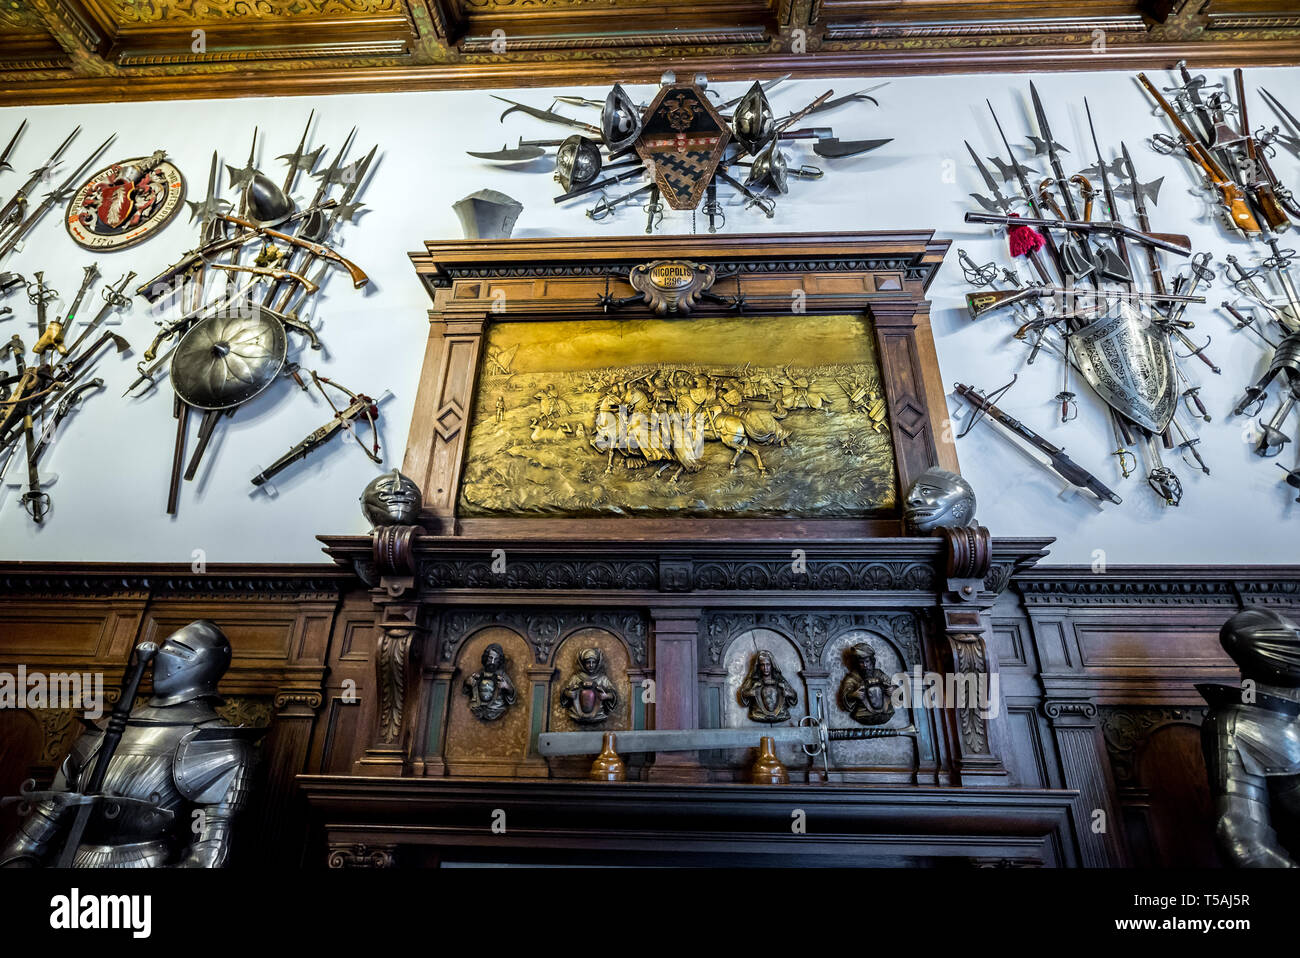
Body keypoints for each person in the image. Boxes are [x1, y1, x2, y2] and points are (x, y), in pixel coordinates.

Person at [1, 620, 256, 868]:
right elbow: (33, 836)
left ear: (209, 666)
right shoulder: (100, 731)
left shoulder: (218, 744)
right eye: (164, 647)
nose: (166, 656)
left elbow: (206, 858)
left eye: (181, 651)